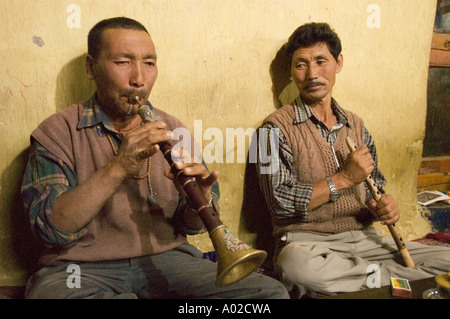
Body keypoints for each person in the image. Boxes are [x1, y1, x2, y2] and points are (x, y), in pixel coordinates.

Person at [21, 17, 289, 299]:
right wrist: (119, 166)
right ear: (91, 67)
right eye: (123, 62)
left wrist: (201, 198)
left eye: (149, 63)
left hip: (167, 260)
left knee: (267, 294)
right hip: (80, 268)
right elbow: (50, 230)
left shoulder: (173, 128)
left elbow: (190, 226)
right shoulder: (56, 133)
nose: (139, 79)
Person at [256, 22, 450, 298]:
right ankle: (401, 279)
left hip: (364, 239)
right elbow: (280, 205)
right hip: (310, 245)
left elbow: (377, 184)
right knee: (296, 269)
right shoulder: (273, 129)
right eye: (301, 65)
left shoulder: (356, 125)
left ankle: (373, 277)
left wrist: (383, 205)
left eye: (321, 61)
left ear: (338, 63)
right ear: (291, 72)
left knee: (447, 259)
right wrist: (344, 178)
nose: (312, 74)